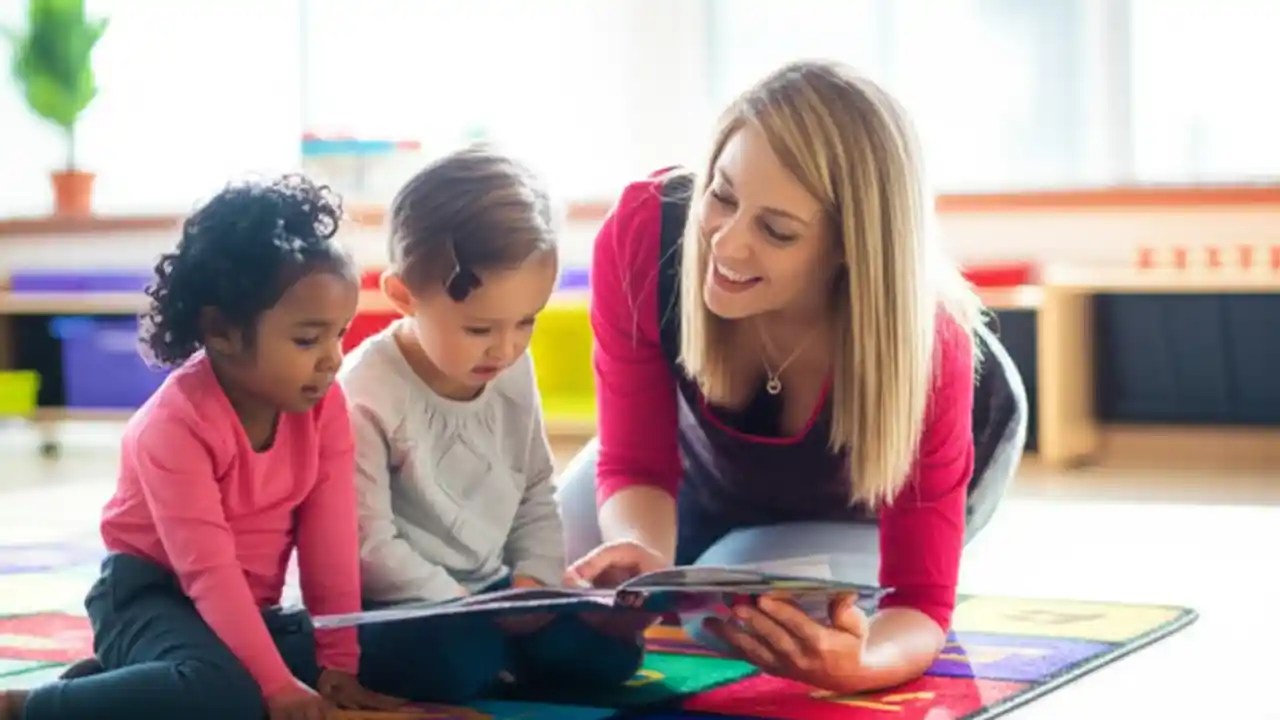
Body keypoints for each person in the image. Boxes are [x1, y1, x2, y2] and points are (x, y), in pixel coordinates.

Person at [557, 60, 1027, 694]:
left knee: (727, 614)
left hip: (861, 506)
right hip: (706, 466)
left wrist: (861, 664)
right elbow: (635, 458)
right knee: (546, 572)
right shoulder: (646, 233)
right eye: (721, 196)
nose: (725, 244)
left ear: (846, 248)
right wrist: (645, 562)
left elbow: (919, 602)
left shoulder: (929, 346)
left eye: (776, 231)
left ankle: (730, 564)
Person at [0, 175, 407, 720]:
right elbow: (207, 573)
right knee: (230, 697)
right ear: (221, 332)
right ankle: (29, 706)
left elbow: (329, 539)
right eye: (308, 340)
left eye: (340, 334)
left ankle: (138, 682)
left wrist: (338, 664)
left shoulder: (323, 403)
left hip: (247, 610)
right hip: (149, 595)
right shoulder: (175, 425)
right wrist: (277, 688)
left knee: (409, 651)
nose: (333, 358)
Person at [338, 147, 644, 704]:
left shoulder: (511, 369)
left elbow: (534, 490)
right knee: (458, 664)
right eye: (479, 328)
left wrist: (533, 581)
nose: (505, 348)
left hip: (492, 594)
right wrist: (466, 605)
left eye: (526, 321)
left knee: (614, 655)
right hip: (402, 603)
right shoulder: (365, 391)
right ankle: (500, 662)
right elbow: (367, 545)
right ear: (404, 296)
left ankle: (508, 657)